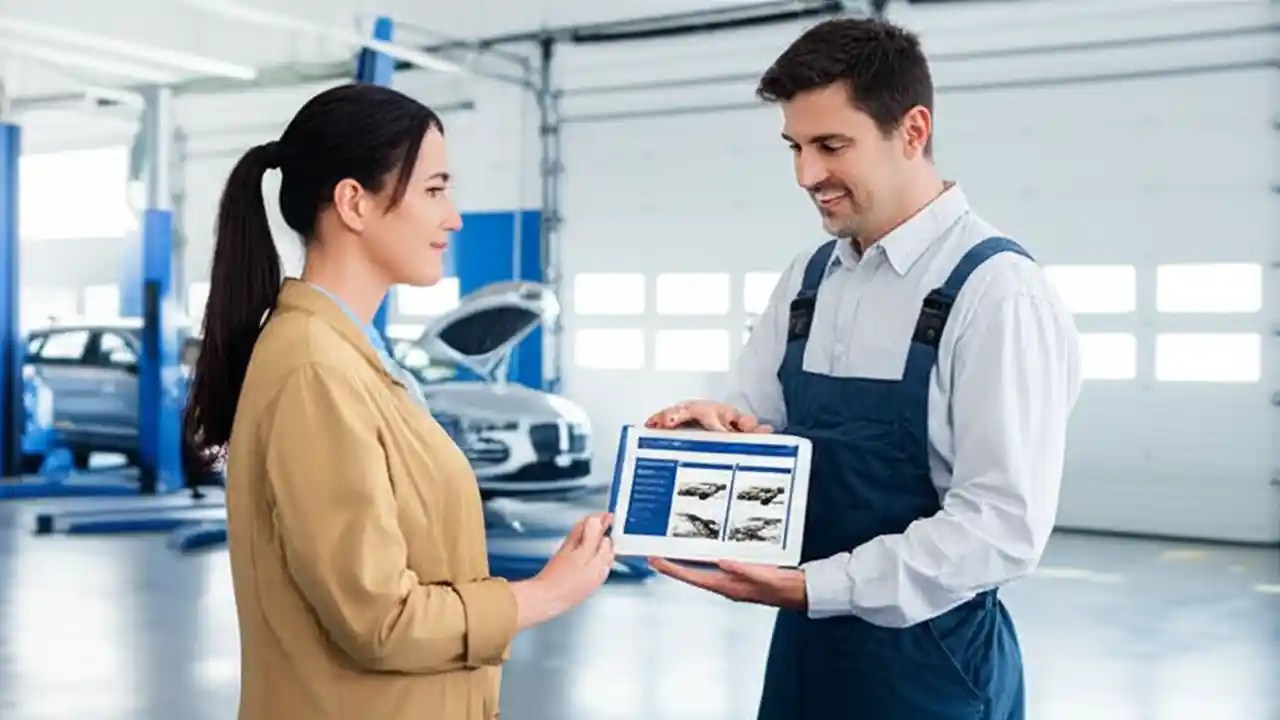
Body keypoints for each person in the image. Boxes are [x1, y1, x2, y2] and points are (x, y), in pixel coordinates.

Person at [645, 17, 1080, 720]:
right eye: (795, 147)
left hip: (931, 670)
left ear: (912, 131)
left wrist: (817, 587)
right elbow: (761, 426)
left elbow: (1001, 527)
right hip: (806, 649)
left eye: (830, 145)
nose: (805, 175)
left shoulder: (998, 293)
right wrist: (717, 434)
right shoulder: (809, 278)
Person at [182, 83, 614, 720]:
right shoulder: (314, 371)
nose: (454, 217)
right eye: (435, 190)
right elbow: (380, 619)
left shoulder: (355, 357)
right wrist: (544, 595)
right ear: (354, 202)